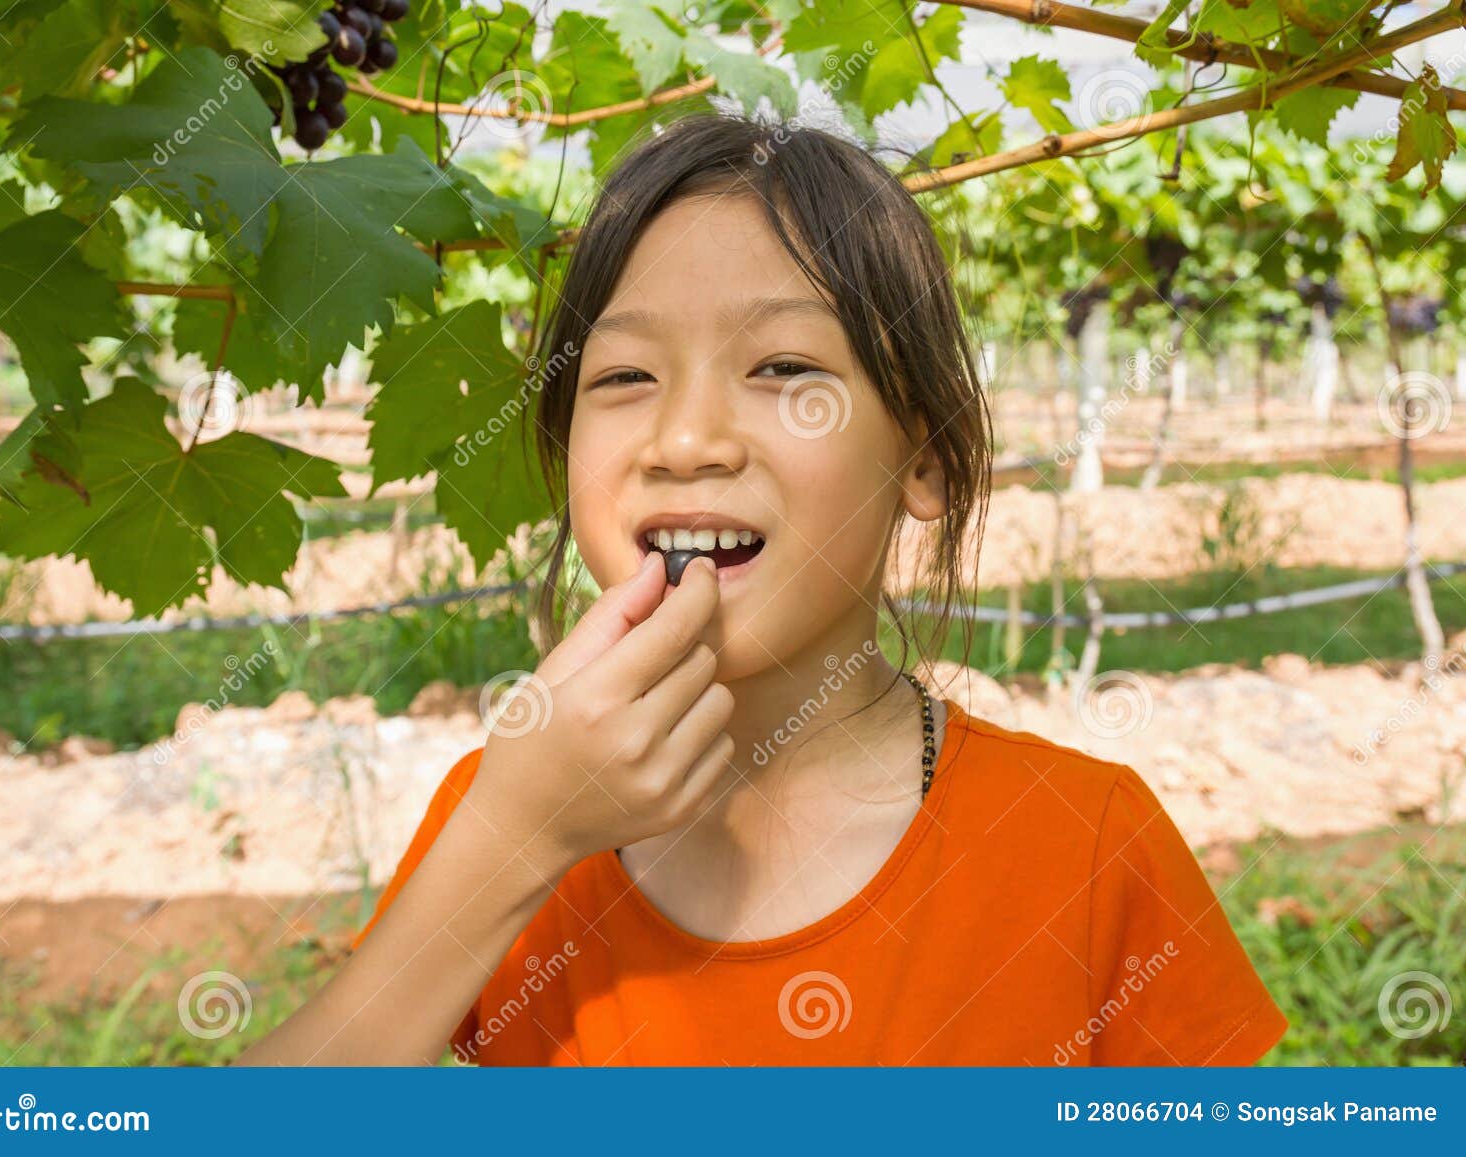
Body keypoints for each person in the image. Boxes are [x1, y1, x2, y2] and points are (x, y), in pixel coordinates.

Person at [237, 112, 1287, 1067]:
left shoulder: (1089, 843)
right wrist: (512, 839)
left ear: (921, 458)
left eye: (783, 369)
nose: (685, 439)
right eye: (623, 377)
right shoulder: (508, 804)